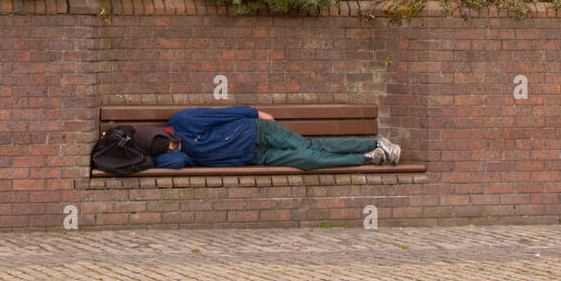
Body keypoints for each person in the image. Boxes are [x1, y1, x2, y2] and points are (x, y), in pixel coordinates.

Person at [131, 105, 401, 171]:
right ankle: (366, 157)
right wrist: (156, 158)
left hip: (256, 131)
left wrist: (256, 113)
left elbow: (219, 114)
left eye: (171, 142)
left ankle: (375, 143)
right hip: (255, 157)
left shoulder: (183, 122)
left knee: (310, 146)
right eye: (168, 150)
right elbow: (176, 163)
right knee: (308, 161)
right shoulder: (175, 156)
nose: (175, 147)